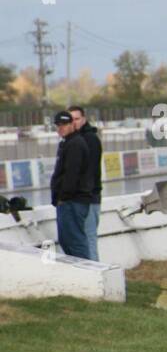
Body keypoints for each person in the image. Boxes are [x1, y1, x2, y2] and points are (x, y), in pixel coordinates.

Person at [49, 111, 94, 259]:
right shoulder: (68, 143)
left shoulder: (75, 144)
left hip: (73, 201)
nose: (61, 128)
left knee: (75, 242)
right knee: (67, 241)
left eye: (64, 125)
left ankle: (87, 275)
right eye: (58, 125)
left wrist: (63, 197)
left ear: (72, 125)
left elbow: (71, 174)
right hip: (69, 201)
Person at [69, 106, 102, 260]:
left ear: (83, 119)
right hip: (79, 199)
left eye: (77, 119)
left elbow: (90, 170)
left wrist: (84, 194)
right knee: (82, 241)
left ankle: (97, 276)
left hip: (89, 198)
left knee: (89, 240)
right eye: (71, 120)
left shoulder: (90, 139)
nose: (74, 123)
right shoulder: (73, 140)